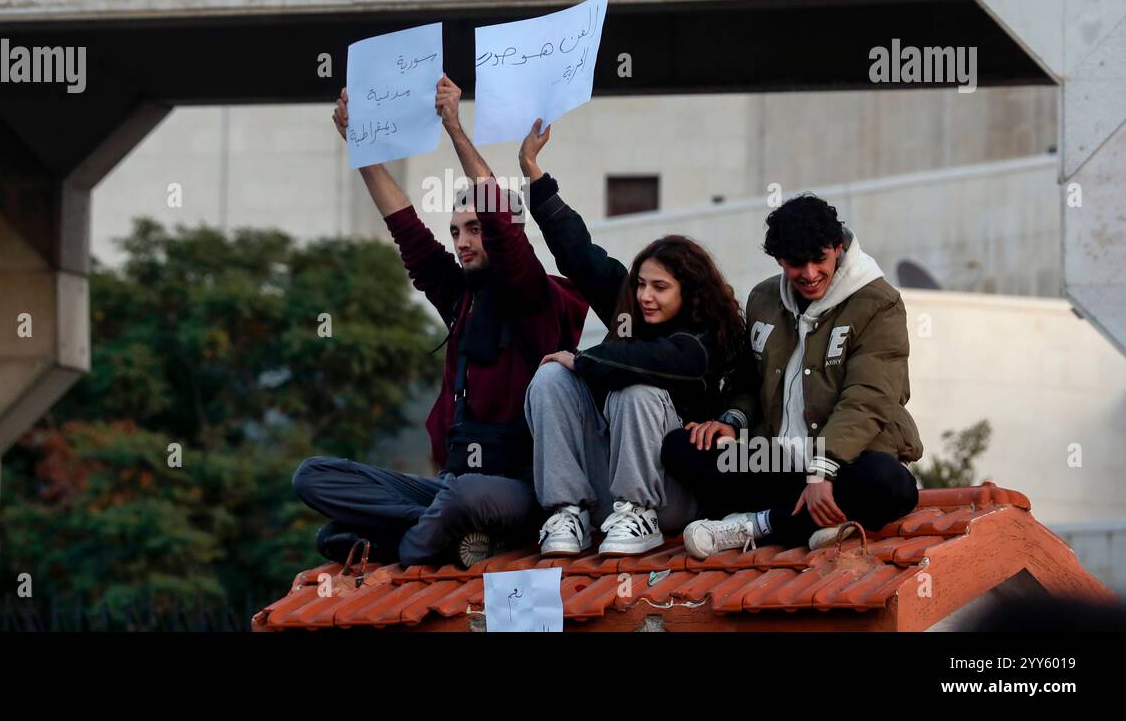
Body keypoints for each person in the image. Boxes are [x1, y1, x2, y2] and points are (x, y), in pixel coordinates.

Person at [293, 77, 589, 568]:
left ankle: (412, 552)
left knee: (455, 500)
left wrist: (454, 126)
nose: (464, 241)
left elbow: (504, 229)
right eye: (456, 232)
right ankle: (451, 539)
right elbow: (407, 232)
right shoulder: (461, 299)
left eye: (475, 229)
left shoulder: (535, 298)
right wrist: (361, 146)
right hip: (450, 480)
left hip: (515, 491)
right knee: (314, 478)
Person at [519, 119, 752, 557]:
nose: (644, 296)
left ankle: (638, 511)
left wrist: (583, 359)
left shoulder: (706, 338)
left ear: (690, 292)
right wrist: (533, 172)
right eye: (641, 284)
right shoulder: (631, 303)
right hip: (607, 495)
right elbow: (578, 254)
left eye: (659, 288)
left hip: (671, 496)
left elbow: (657, 359)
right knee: (551, 379)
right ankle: (566, 511)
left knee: (637, 390)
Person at [662, 193, 922, 558]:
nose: (810, 273)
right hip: (776, 460)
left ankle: (758, 525)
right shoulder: (764, 299)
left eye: (820, 259)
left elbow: (869, 396)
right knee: (681, 447)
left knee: (891, 484)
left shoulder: (879, 301)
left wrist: (822, 471)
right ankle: (818, 524)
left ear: (837, 248)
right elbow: (749, 382)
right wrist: (733, 422)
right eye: (797, 264)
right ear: (780, 260)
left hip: (849, 462)